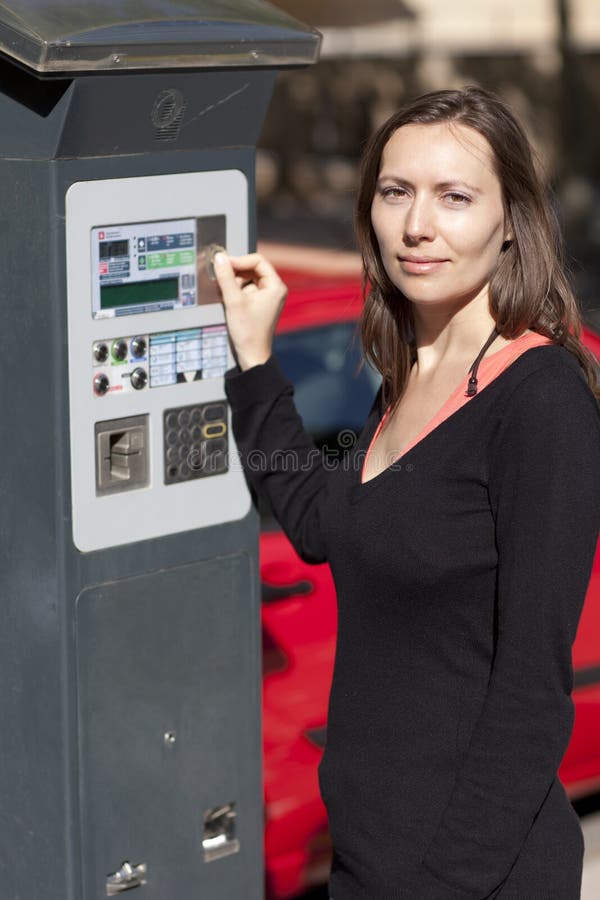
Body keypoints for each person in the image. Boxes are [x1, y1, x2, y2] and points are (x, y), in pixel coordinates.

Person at [214, 87, 600, 899]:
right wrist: (255, 365)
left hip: (469, 876)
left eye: (455, 197)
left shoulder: (540, 403)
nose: (417, 225)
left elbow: (532, 695)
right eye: (396, 192)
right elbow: (325, 523)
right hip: (368, 855)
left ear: (511, 222)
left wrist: (441, 887)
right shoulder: (405, 378)